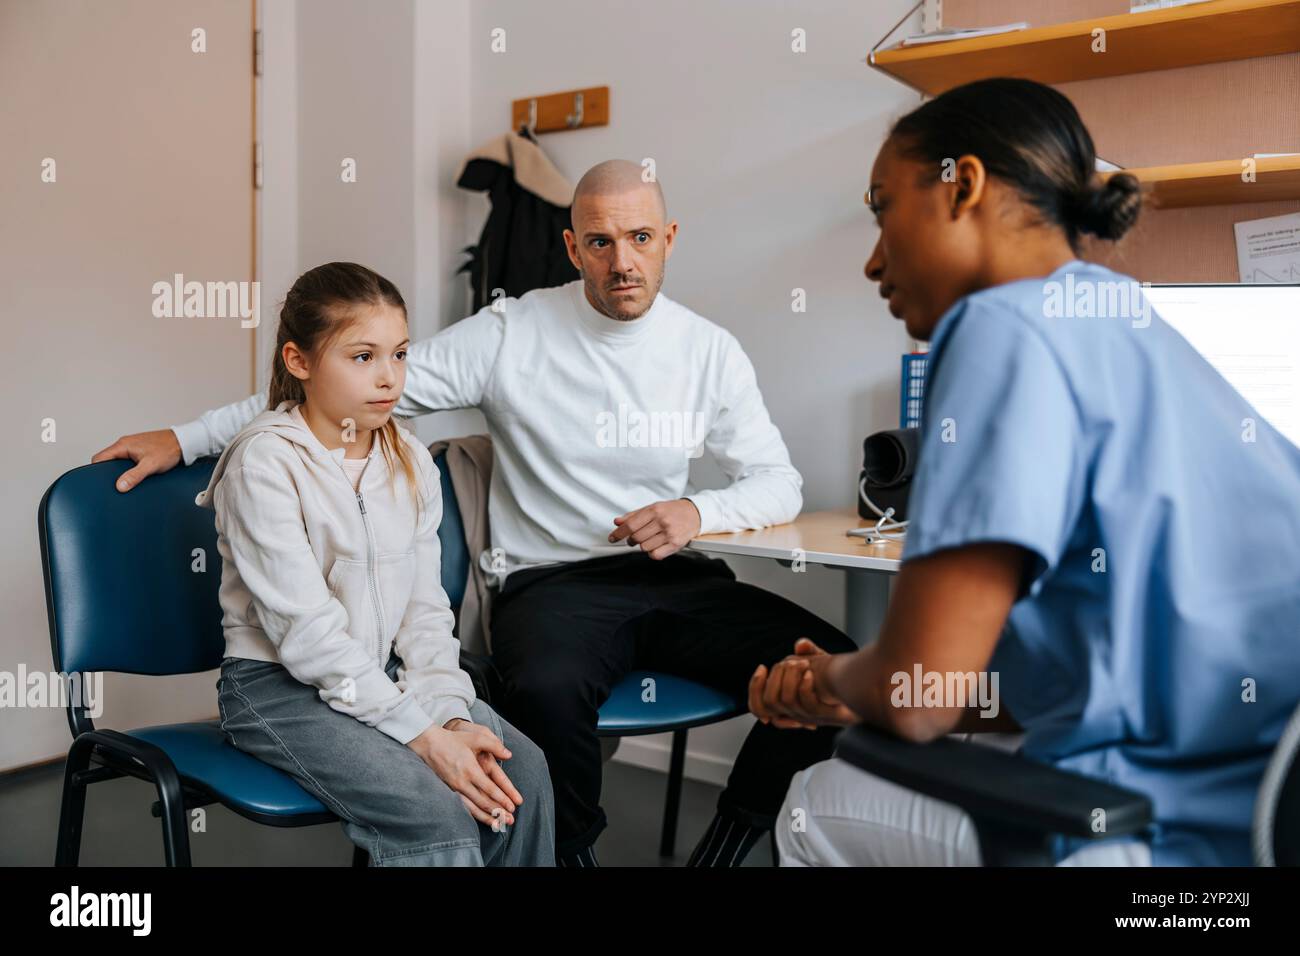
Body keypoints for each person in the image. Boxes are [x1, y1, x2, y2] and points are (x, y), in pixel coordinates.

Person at [92, 160, 856, 867]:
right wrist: (188, 436)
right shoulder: (509, 333)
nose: (622, 260)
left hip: (674, 574)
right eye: (600, 241)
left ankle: (729, 844)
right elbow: (331, 389)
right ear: (572, 247)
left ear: (668, 240)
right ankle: (571, 854)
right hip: (552, 583)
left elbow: (776, 482)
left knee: (832, 665)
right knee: (544, 699)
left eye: (640, 238)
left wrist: (697, 508)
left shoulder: (709, 351)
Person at [752, 78, 1300, 867]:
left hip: (1160, 839)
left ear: (962, 185)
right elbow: (1090, 671)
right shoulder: (1128, 320)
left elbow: (923, 700)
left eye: (882, 208)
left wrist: (832, 675)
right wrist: (851, 686)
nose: (873, 260)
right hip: (1250, 819)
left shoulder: (998, 327)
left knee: (812, 805)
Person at [202, 261, 553, 866]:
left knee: (524, 773)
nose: (389, 378)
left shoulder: (411, 459)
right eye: (362, 357)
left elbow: (424, 613)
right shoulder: (264, 465)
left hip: (384, 674)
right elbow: (307, 637)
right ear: (299, 361)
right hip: (278, 685)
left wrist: (448, 713)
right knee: (433, 811)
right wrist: (423, 738)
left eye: (399, 354)